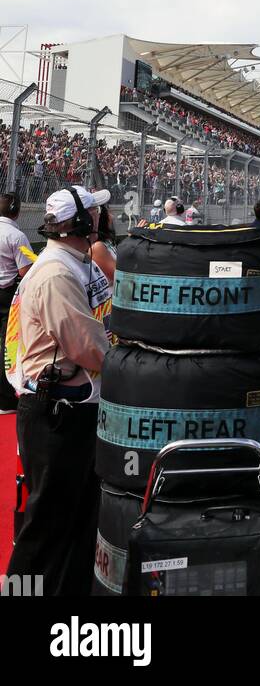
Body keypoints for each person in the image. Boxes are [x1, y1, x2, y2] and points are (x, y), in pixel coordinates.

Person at [4, 186, 113, 596]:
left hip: (75, 409)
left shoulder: (76, 262)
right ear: (82, 222)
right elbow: (90, 348)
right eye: (95, 210)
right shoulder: (56, 273)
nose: (101, 216)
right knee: (47, 526)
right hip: (56, 415)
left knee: (79, 517)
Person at [0, 191, 37, 413]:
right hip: (7, 295)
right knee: (7, 344)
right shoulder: (16, 236)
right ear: (17, 211)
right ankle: (4, 400)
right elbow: (26, 270)